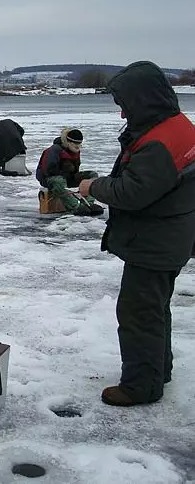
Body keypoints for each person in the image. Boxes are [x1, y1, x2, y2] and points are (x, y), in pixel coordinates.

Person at [78, 61, 195, 407]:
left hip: (155, 242)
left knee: (138, 313)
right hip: (171, 236)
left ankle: (141, 386)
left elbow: (133, 192)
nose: (121, 115)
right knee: (154, 307)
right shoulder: (177, 127)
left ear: (142, 100)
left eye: (125, 106)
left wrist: (94, 185)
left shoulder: (160, 142)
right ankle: (158, 369)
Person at [36, 128, 104, 216]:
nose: (78, 147)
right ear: (68, 142)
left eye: (80, 145)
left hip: (67, 177)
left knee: (92, 175)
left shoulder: (74, 151)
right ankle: (75, 206)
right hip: (49, 179)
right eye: (76, 145)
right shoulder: (54, 150)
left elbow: (75, 171)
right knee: (59, 180)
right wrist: (64, 171)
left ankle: (88, 203)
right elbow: (48, 171)